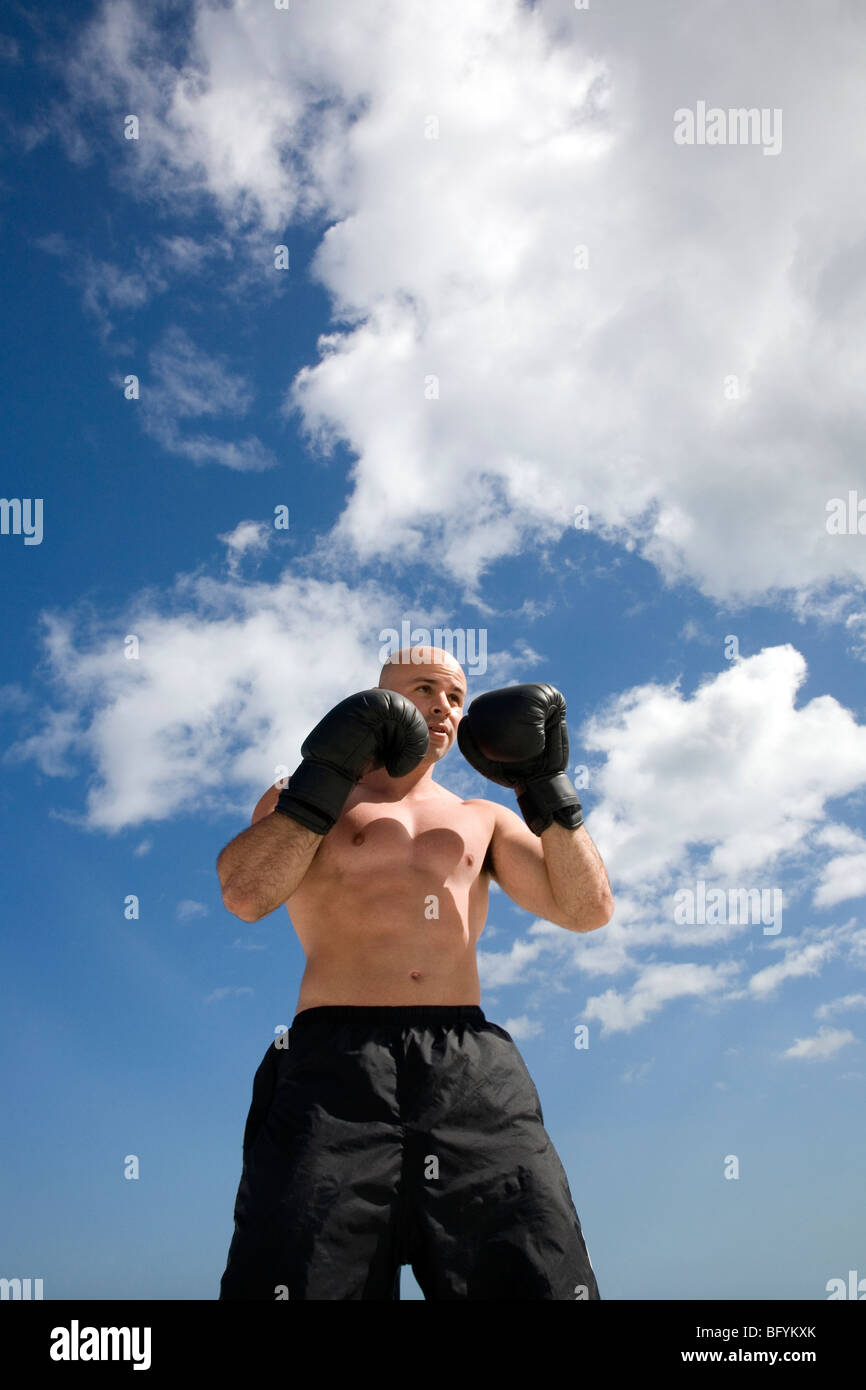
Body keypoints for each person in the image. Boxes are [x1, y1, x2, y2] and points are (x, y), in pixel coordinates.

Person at [217, 645, 613, 1300]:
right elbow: (246, 895)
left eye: (456, 697)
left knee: (535, 1269)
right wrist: (324, 780)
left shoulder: (482, 816)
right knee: (298, 1274)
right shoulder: (302, 795)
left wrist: (545, 786)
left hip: (469, 1066)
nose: (444, 707)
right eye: (425, 688)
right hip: (332, 1066)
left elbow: (587, 910)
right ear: (380, 699)